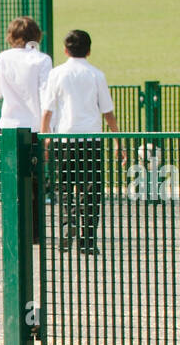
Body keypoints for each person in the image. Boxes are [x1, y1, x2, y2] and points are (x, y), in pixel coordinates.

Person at [40, 29, 120, 255]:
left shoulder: (56, 74)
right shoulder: (96, 75)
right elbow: (108, 112)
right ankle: (88, 241)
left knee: (64, 186)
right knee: (91, 190)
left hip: (64, 137)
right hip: (91, 140)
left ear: (65, 50)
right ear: (89, 50)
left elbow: (47, 111)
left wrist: (45, 139)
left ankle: (68, 223)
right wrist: (117, 142)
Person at [0, 16, 51, 233]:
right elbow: (46, 95)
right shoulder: (42, 60)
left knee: (12, 179)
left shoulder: (3, 57)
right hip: (34, 127)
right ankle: (35, 231)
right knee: (35, 180)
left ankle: (13, 229)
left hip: (8, 125)